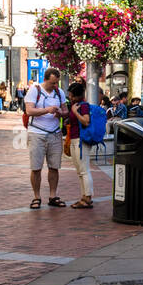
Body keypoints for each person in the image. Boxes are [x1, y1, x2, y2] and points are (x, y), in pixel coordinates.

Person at [64, 81, 95, 210]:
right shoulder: (74, 105)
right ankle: (84, 196)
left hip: (81, 141)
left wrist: (75, 113)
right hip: (74, 139)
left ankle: (87, 197)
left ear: (77, 95)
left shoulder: (83, 106)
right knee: (80, 171)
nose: (69, 97)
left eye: (71, 95)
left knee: (84, 170)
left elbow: (86, 121)